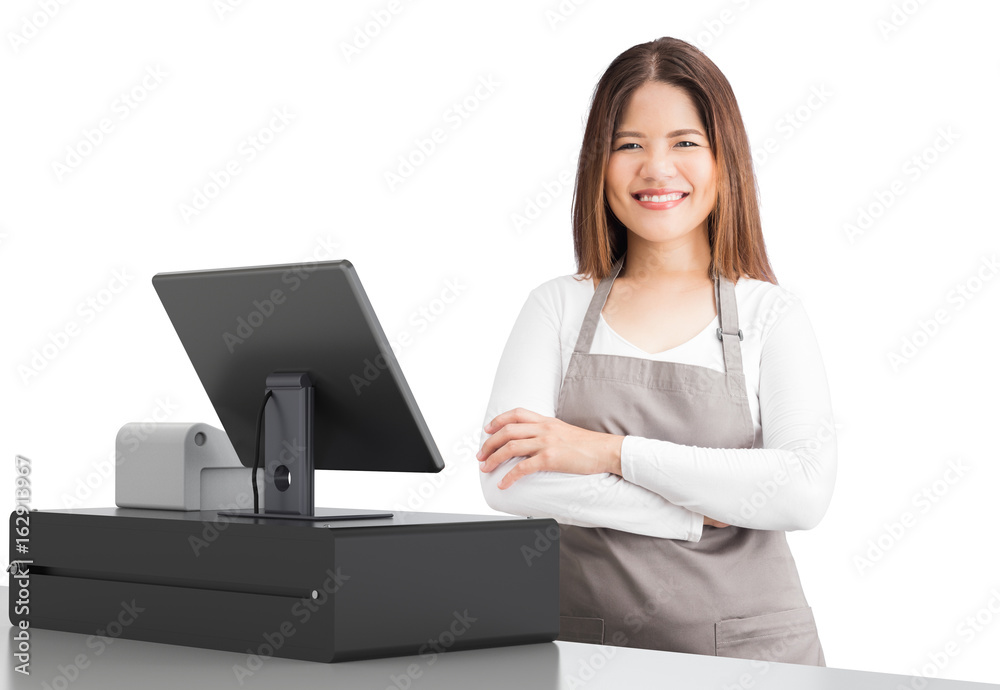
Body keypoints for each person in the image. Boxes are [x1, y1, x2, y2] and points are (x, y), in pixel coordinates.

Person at [476, 36, 836, 666]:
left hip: (751, 663)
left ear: (725, 160)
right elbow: (508, 481)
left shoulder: (769, 314)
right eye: (630, 145)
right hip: (587, 650)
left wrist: (603, 452)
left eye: (685, 143)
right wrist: (693, 514)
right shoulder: (556, 308)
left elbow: (802, 490)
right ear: (600, 163)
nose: (657, 169)